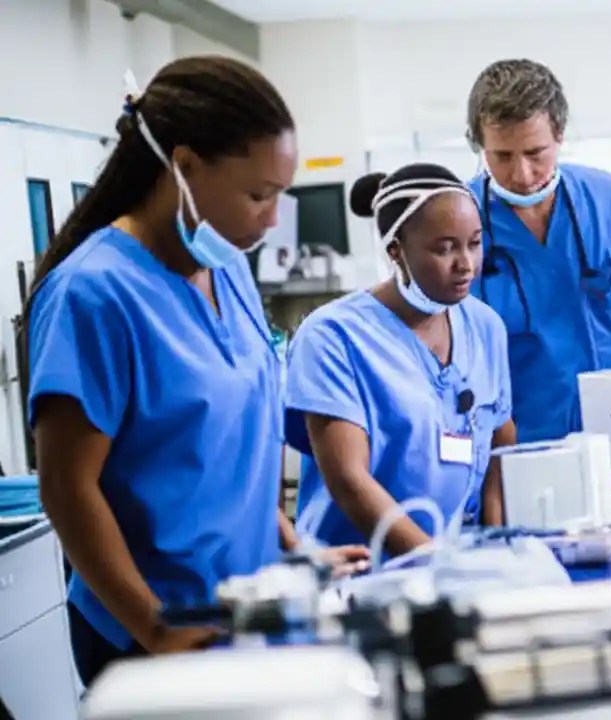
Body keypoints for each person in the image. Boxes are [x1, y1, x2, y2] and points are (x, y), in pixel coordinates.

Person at [24, 57, 367, 686]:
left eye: (280, 195)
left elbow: (227, 450)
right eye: (259, 195)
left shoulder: (228, 269)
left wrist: (294, 548)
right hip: (151, 634)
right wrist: (157, 628)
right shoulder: (93, 294)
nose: (272, 219)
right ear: (183, 167)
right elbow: (68, 490)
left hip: (244, 613)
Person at [286, 164, 515, 555]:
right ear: (396, 250)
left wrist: (495, 544)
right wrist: (433, 563)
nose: (466, 264)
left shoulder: (484, 326)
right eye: (444, 248)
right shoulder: (333, 336)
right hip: (358, 572)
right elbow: (349, 479)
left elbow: (500, 435)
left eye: (474, 243)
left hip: (451, 568)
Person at [467, 59, 611, 443]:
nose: (522, 174)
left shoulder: (609, 199)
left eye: (535, 152)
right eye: (502, 156)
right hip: (523, 438)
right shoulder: (462, 220)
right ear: (479, 145)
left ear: (560, 134)